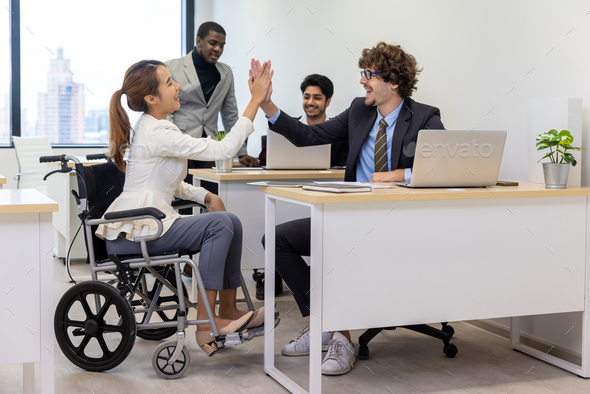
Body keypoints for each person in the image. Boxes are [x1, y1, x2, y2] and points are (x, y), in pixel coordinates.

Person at [256, 42, 445, 375]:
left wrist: (396, 174)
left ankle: (339, 337)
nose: (362, 82)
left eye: (369, 75)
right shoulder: (360, 111)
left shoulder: (425, 117)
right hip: (347, 213)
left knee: (337, 248)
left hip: (393, 221)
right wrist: (267, 104)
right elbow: (306, 135)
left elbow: (443, 168)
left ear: (393, 83)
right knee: (275, 240)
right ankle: (327, 323)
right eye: (364, 73)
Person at [96, 59, 273, 357]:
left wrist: (205, 197)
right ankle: (206, 323)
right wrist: (255, 100)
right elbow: (224, 150)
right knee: (222, 224)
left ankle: (227, 309)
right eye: (169, 83)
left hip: (146, 223)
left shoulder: (156, 127)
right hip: (139, 228)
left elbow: (165, 181)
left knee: (232, 221)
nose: (178, 86)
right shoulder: (158, 132)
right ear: (151, 98)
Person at [258, 74, 348, 167]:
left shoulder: (339, 132)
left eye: (317, 98)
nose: (310, 102)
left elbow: (343, 169)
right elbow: (265, 161)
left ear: (328, 102)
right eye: (306, 97)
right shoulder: (285, 126)